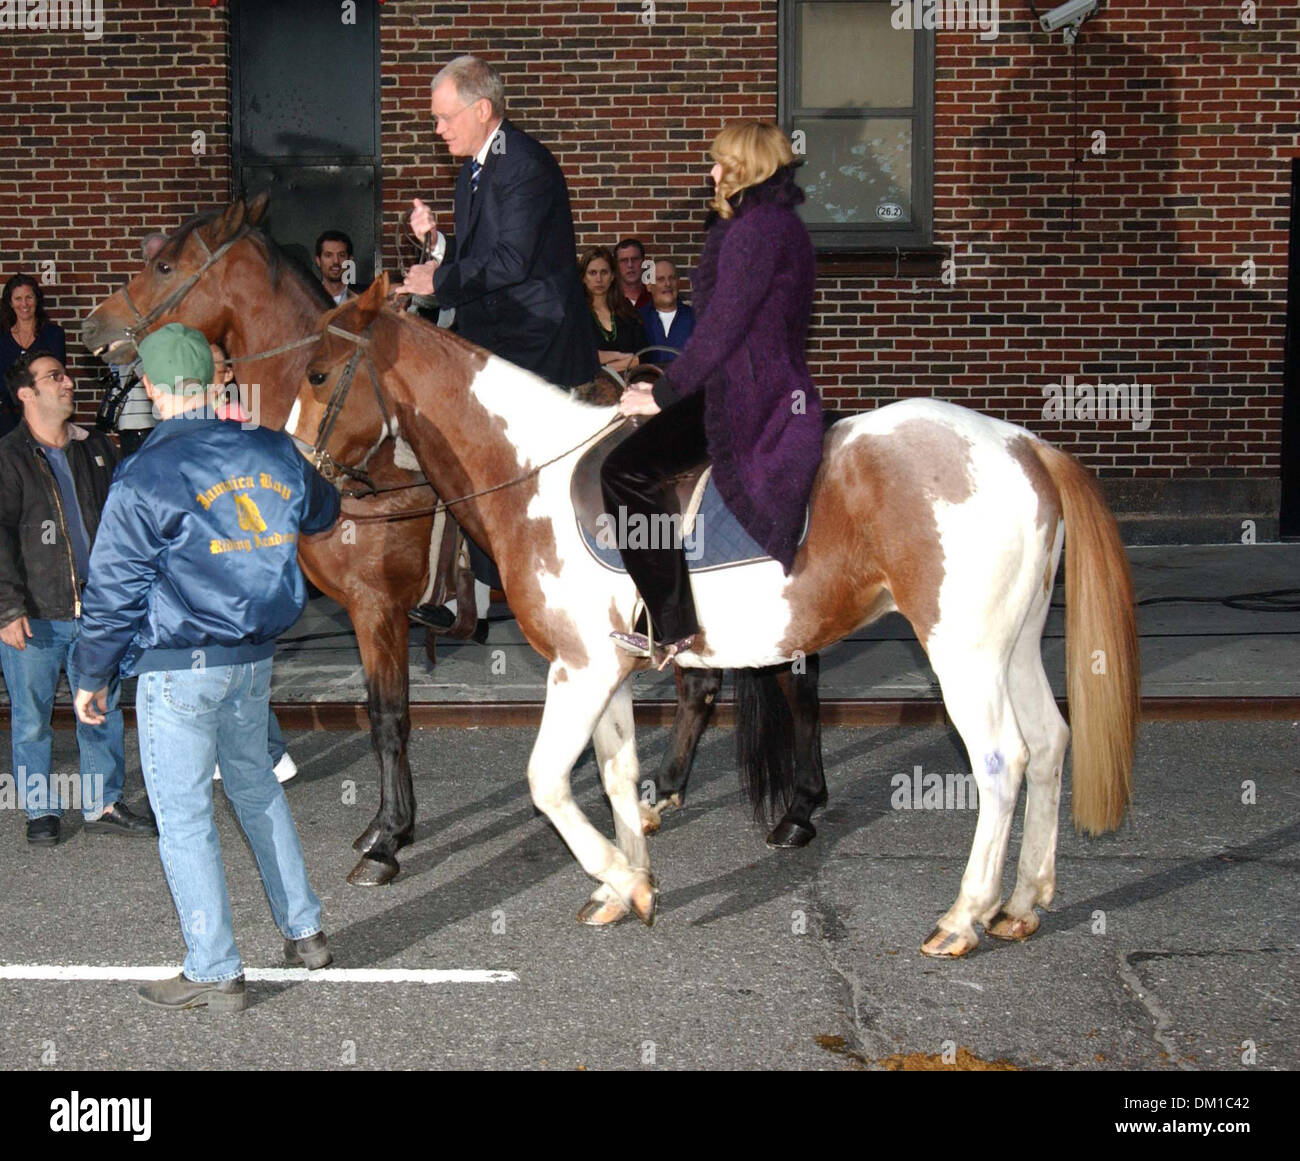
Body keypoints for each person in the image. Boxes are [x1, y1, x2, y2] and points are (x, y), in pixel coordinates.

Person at [72, 323, 341, 1012]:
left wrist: (92, 674)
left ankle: (215, 965)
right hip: (253, 659)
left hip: (181, 663)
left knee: (185, 812)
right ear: (217, 380)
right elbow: (324, 507)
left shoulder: (146, 472)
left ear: (155, 389)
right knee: (255, 789)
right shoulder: (272, 448)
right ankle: (304, 928)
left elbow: (112, 589)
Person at [601, 121, 824, 669]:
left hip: (746, 395)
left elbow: (722, 328)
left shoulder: (754, 230)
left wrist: (663, 394)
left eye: (719, 163)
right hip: (765, 383)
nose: (712, 173)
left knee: (623, 470)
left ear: (743, 167)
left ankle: (669, 624)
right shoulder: (782, 224)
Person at [397, 54, 598, 633]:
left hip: (534, 340)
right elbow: (481, 257)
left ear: (481, 110)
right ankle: (468, 589)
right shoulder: (474, 173)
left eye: (443, 117)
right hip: (495, 334)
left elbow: (511, 261)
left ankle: (497, 581)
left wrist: (442, 280)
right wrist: (438, 246)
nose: (438, 129)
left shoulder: (525, 165)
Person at [0, 350, 155, 844]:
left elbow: (120, 525)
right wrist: (7, 606)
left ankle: (102, 802)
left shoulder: (97, 448)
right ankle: (40, 810)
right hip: (35, 616)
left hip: (97, 611)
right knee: (31, 719)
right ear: (26, 393)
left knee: (102, 709)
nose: (67, 382)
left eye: (64, 374)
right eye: (55, 376)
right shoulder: (7, 457)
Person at [207, 340, 297, 785]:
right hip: (226, 548)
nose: (212, 372)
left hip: (240, 548)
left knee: (234, 660)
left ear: (228, 372)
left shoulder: (243, 414)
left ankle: (267, 751)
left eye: (218, 365)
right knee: (235, 662)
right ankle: (262, 752)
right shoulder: (203, 412)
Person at [102, 234, 169, 455]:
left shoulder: (176, 300)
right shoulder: (129, 300)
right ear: (145, 261)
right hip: (137, 414)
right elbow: (114, 352)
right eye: (153, 257)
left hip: (172, 411)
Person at [0, 276, 67, 439]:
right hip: (6, 419)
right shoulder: (1, 337)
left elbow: (57, 375)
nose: (24, 304)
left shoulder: (53, 334)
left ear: (37, 300)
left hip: (45, 416)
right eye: (18, 298)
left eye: (29, 297)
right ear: (10, 303)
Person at [580, 245, 646, 376]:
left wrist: (603, 366)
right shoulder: (577, 314)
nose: (599, 279)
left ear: (612, 276)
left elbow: (641, 357)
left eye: (604, 272)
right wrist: (620, 356)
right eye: (592, 273)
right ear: (583, 278)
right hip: (588, 392)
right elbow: (579, 357)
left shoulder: (626, 310)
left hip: (630, 388)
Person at [638, 259, 696, 365]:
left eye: (672, 278)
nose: (667, 284)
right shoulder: (637, 319)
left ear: (678, 282)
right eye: (660, 279)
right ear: (649, 286)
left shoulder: (696, 318)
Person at [314, 230, 355, 305]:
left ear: (350, 260)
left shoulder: (366, 297)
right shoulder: (310, 298)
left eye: (341, 255)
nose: (336, 261)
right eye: (328, 255)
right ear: (318, 261)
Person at [614, 238, 652, 311]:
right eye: (624, 260)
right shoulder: (609, 300)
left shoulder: (655, 297)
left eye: (635, 259)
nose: (630, 265)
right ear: (616, 265)